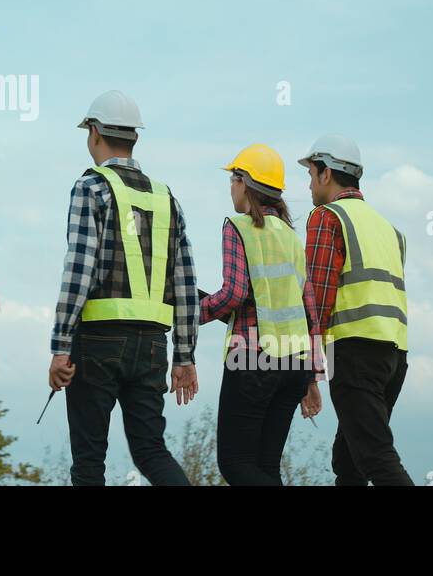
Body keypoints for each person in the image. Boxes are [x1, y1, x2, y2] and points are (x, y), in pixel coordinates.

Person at [48, 90, 198, 486]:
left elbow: (78, 270)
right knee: (151, 450)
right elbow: (185, 280)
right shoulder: (167, 198)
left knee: (89, 459)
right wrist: (185, 355)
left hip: (97, 340)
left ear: (94, 133)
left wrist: (60, 347)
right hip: (152, 346)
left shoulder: (91, 188)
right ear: (135, 137)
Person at [299, 134, 414, 486]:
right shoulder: (391, 231)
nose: (308, 184)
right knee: (349, 463)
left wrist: (308, 371)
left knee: (375, 457)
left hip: (355, 353)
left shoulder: (326, 217)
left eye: (311, 173)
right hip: (394, 358)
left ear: (325, 173)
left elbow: (316, 298)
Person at [198, 143, 316, 485]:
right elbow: (309, 310)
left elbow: (234, 293)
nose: (230, 188)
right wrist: (312, 376)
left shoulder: (239, 227)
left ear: (244, 182)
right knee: (265, 469)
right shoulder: (292, 237)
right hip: (295, 364)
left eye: (233, 179)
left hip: (253, 360)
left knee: (235, 465)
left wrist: (193, 313)